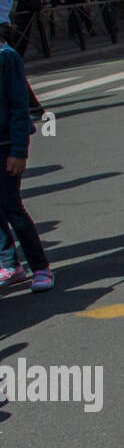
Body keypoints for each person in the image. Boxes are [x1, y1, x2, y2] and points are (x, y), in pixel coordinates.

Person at [0, 32, 53, 292]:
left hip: (6, 145)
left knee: (11, 206)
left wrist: (19, 150)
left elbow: (20, 107)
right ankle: (11, 264)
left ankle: (41, 267)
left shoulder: (7, 57)